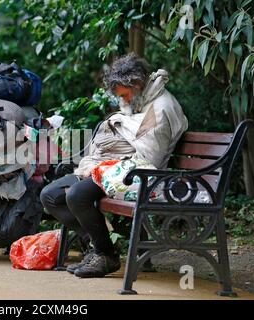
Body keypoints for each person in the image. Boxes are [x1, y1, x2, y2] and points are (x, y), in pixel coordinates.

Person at [40, 53, 188, 278]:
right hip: (112, 167)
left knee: (76, 196)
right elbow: (125, 129)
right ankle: (102, 248)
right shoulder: (140, 99)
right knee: (50, 195)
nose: (124, 101)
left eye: (125, 95)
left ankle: (104, 254)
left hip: (138, 173)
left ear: (137, 84)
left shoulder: (161, 107)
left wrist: (118, 131)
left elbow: (151, 157)